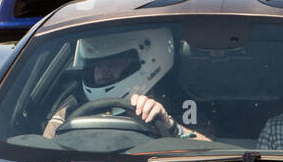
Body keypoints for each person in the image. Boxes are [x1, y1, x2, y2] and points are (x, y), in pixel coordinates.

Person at [42, 28, 211, 140]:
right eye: (95, 64)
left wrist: (170, 125)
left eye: (113, 62)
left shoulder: (182, 104)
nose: (101, 73)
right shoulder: (70, 112)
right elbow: (43, 156)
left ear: (150, 59)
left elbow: (211, 151)